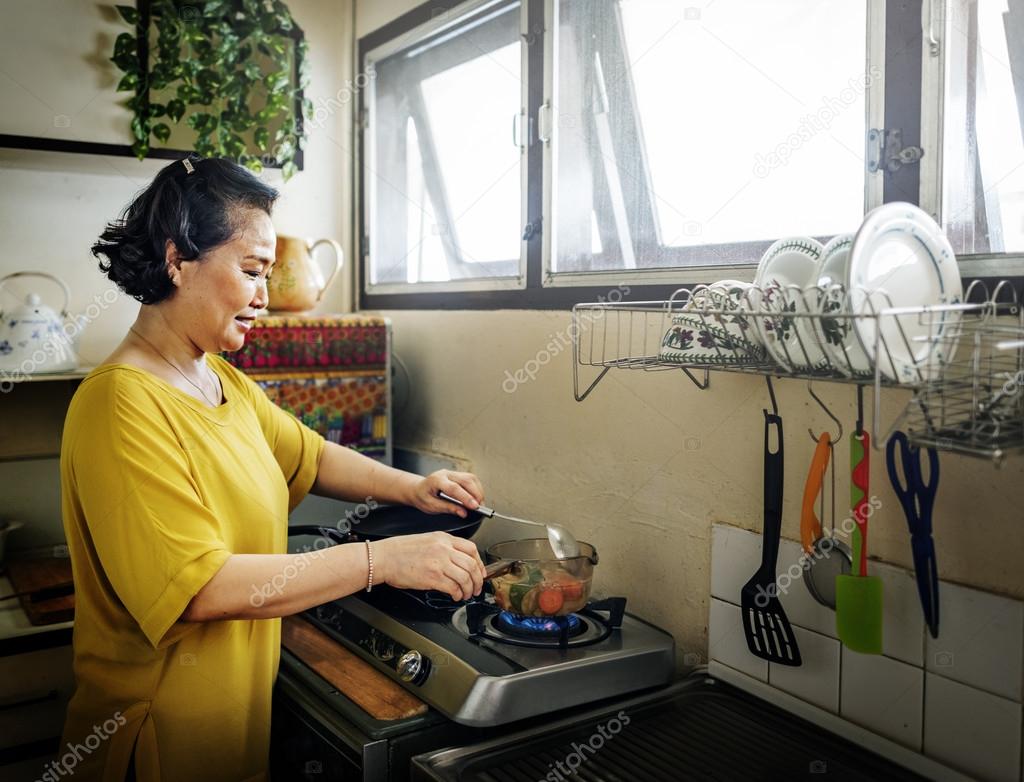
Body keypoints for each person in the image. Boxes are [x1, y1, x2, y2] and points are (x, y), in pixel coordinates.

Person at [57, 156, 487, 782]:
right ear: (177, 259)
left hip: (229, 733)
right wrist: (382, 561)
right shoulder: (120, 403)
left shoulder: (217, 379)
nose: (264, 297)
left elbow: (310, 456)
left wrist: (416, 488)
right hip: (155, 744)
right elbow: (200, 588)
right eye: (252, 271)